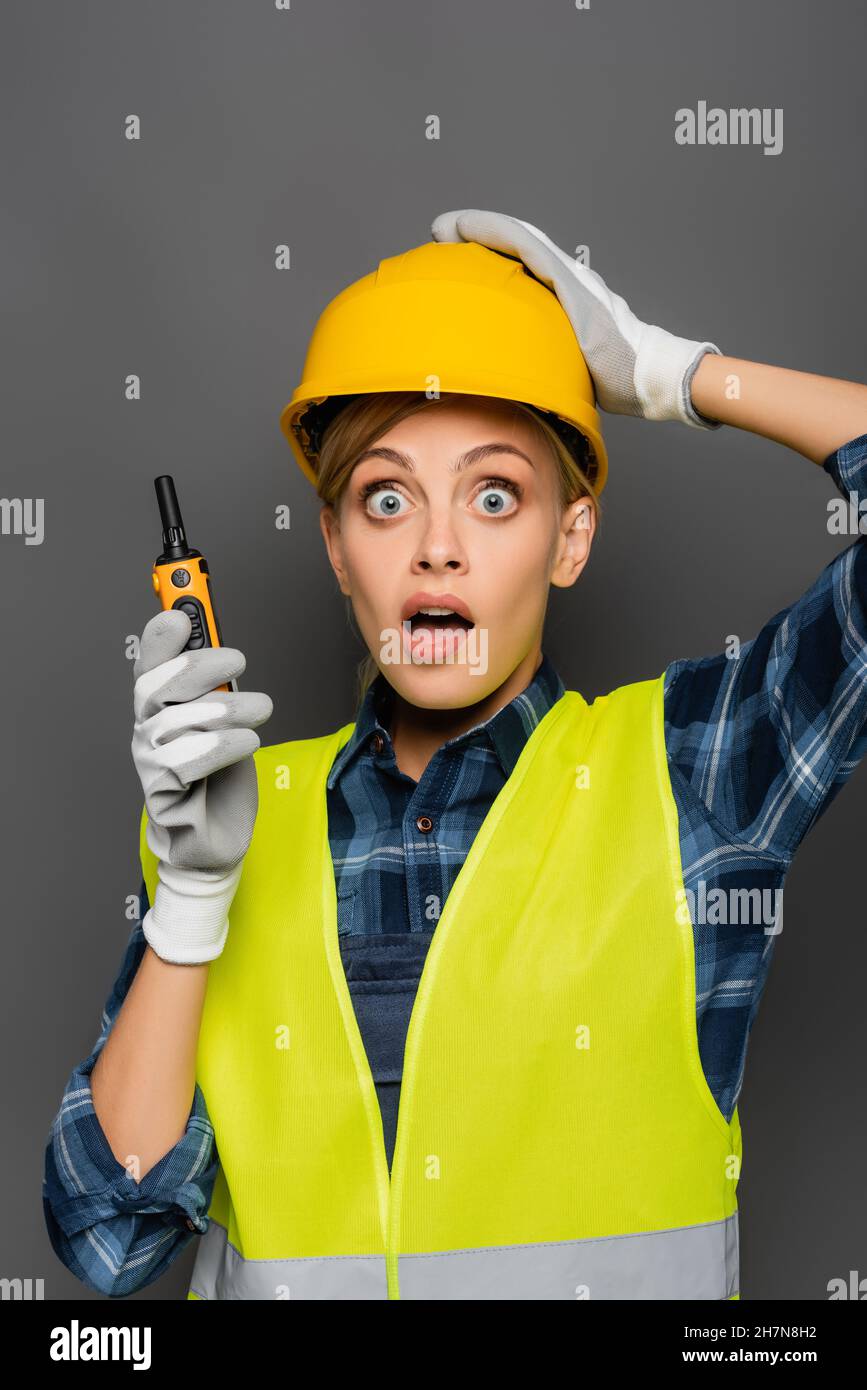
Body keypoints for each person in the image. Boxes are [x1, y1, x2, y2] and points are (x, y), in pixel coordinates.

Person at [44, 211, 867, 1300]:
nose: (438, 544)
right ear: (337, 546)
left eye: (494, 494)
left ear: (570, 537)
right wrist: (193, 901)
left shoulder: (693, 777)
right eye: (388, 498)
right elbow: (111, 1237)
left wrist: (678, 375)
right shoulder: (231, 818)